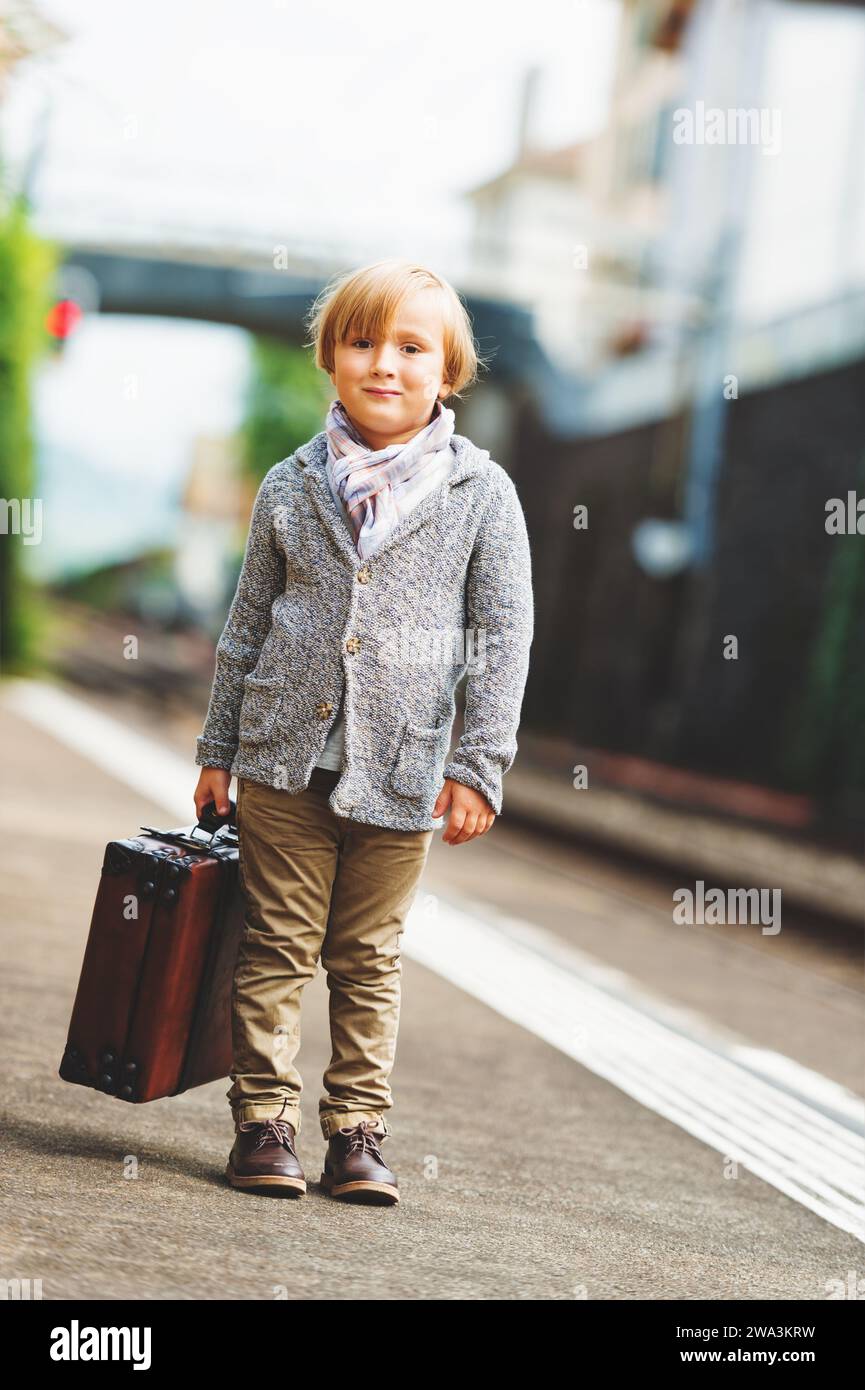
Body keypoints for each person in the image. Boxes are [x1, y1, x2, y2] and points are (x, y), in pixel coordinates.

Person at [193, 257, 534, 1205]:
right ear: (329, 357)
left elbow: (504, 637)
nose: (384, 363)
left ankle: (355, 1132)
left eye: (411, 347)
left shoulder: (480, 494)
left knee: (368, 960)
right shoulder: (290, 484)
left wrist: (479, 764)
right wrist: (217, 749)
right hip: (277, 761)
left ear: (448, 373)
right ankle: (262, 1120)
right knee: (274, 945)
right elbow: (247, 624)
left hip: (405, 769)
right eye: (361, 341)